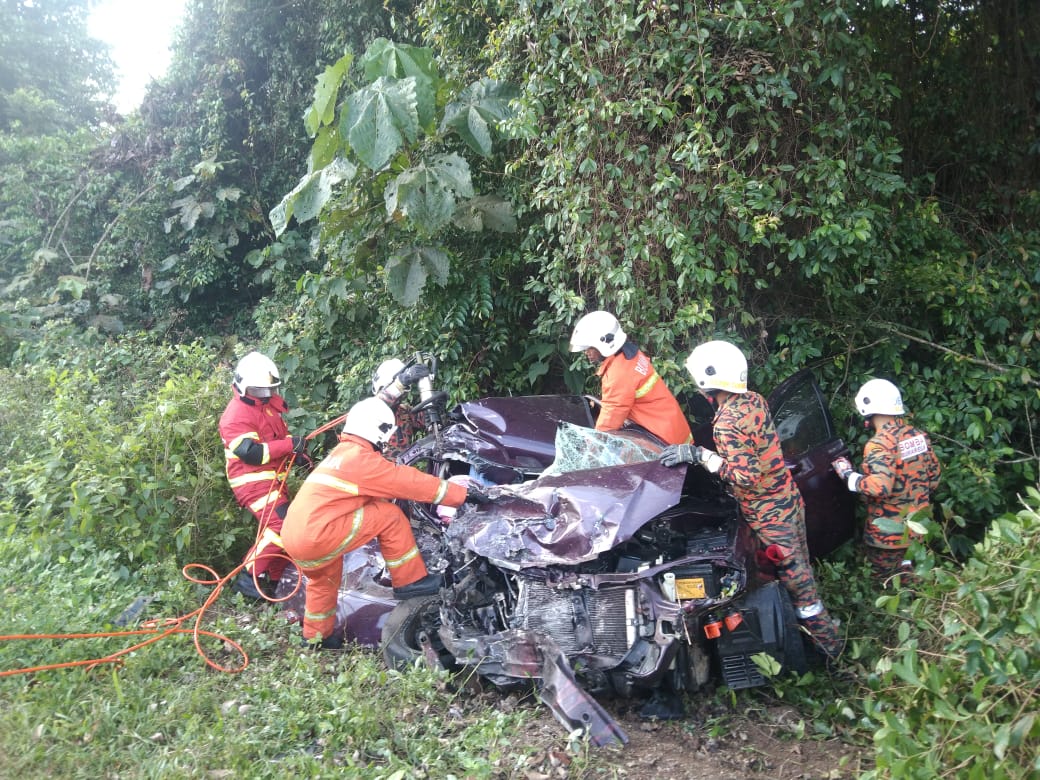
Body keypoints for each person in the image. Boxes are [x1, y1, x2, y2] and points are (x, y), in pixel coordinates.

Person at [658, 340, 844, 660]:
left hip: (771, 515)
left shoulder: (727, 423)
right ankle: (791, 631)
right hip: (788, 501)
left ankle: (830, 647)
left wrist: (700, 455)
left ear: (708, 382)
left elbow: (745, 477)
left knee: (800, 583)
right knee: (783, 571)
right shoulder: (754, 401)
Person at [281, 396, 486, 649]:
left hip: (294, 535)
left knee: (323, 581)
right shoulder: (360, 459)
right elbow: (406, 482)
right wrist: (461, 494)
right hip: (316, 534)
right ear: (376, 430)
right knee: (389, 516)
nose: (388, 440)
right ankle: (409, 581)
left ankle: (315, 637)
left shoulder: (341, 455)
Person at [218, 351, 308, 600]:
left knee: (288, 526)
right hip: (251, 482)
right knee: (281, 525)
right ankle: (248, 578)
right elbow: (252, 453)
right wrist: (289, 446)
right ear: (243, 386)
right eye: (259, 391)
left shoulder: (267, 407)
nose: (266, 395)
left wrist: (298, 452)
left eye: (268, 390)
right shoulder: (234, 416)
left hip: (273, 478)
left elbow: (276, 441)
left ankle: (277, 580)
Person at [831, 378, 942, 579]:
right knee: (915, 584)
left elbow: (880, 487)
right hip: (918, 530)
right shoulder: (918, 436)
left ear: (869, 409)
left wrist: (848, 475)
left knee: (887, 586)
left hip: (888, 538)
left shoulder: (879, 444)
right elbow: (934, 479)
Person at [569, 311, 693, 446]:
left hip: (663, 441)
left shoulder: (619, 373)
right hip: (672, 429)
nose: (586, 352)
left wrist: (592, 446)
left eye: (589, 348)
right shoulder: (630, 355)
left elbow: (610, 418)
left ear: (605, 342)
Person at [371, 358, 430, 458]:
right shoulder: (370, 411)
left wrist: (434, 408)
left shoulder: (403, 411)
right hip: (376, 470)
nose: (401, 395)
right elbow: (380, 403)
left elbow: (425, 420)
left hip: (399, 470)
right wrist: (400, 383)